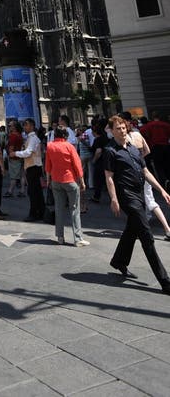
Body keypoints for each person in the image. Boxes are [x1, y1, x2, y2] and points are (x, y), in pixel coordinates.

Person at [104, 115, 170, 293]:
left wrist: (161, 190)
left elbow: (145, 171)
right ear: (112, 131)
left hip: (139, 193)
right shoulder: (110, 151)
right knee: (146, 236)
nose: (122, 130)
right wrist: (114, 199)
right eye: (118, 128)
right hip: (127, 197)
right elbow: (109, 178)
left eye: (123, 127)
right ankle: (165, 281)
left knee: (132, 229)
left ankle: (119, 261)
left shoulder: (133, 148)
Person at [45, 127, 89, 247]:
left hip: (55, 180)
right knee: (74, 209)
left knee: (59, 208)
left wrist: (48, 179)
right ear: (65, 135)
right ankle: (78, 238)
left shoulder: (50, 146)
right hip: (70, 180)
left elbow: (48, 165)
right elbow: (77, 164)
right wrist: (82, 181)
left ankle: (60, 236)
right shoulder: (69, 146)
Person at [9, 118, 44, 221]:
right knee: (36, 191)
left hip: (33, 167)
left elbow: (28, 152)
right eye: (24, 125)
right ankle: (39, 211)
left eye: (27, 125)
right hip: (32, 166)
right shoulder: (31, 138)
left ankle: (34, 213)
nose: (25, 127)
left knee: (33, 191)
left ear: (32, 126)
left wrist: (15, 153)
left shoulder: (32, 138)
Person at [4, 122, 25, 198]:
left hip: (14, 157)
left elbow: (11, 147)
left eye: (10, 125)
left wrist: (9, 155)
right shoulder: (19, 135)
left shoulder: (13, 136)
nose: (9, 127)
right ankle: (22, 190)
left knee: (14, 175)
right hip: (21, 156)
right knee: (22, 174)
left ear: (14, 127)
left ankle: (10, 191)